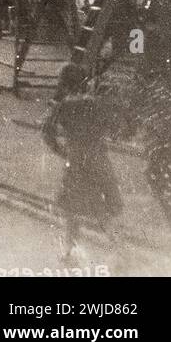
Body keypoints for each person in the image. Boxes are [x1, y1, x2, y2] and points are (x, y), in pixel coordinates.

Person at [43, 63, 121, 261]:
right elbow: (116, 129)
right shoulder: (98, 104)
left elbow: (47, 132)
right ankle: (119, 252)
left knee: (72, 208)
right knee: (103, 210)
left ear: (64, 85)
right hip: (99, 159)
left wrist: (62, 151)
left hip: (77, 161)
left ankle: (70, 252)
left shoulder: (64, 106)